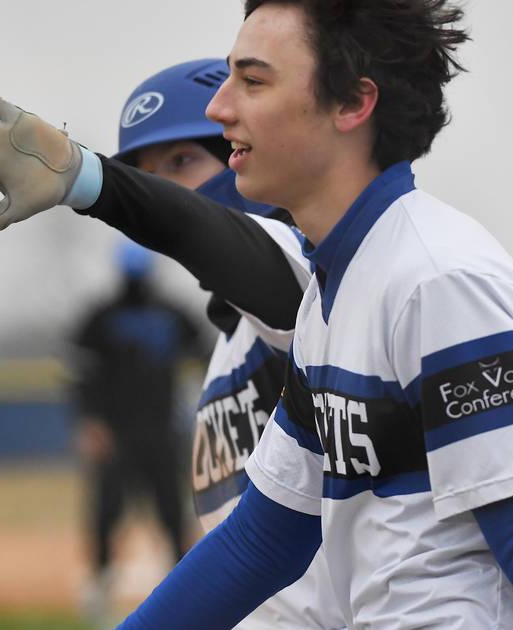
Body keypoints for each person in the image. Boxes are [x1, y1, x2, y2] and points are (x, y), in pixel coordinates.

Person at [0, 1, 513, 628]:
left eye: (253, 81)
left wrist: (91, 180)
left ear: (352, 104)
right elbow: (264, 538)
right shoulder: (334, 291)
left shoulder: (435, 281)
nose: (224, 109)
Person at [106, 57, 345, 629]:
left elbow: (240, 251)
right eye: (144, 173)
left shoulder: (307, 272)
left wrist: (94, 185)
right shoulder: (230, 339)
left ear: (246, 153)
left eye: (181, 161)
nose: (157, 189)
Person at [69, 240, 201, 626]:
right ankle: (100, 582)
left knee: (172, 511)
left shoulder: (172, 314)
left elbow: (206, 351)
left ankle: (185, 587)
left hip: (162, 431)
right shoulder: (102, 317)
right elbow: (82, 375)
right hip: (117, 434)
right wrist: (90, 421)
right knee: (107, 511)